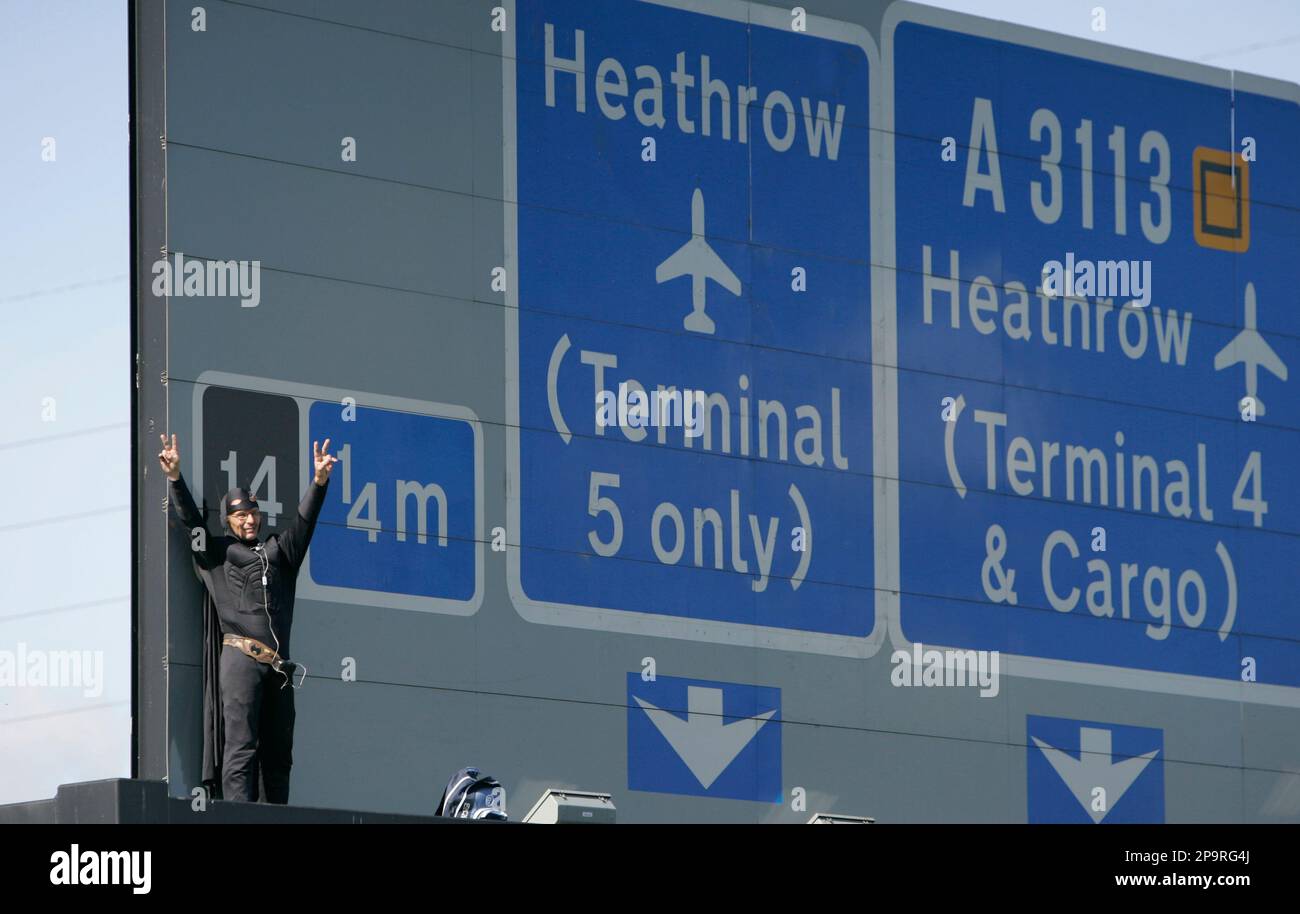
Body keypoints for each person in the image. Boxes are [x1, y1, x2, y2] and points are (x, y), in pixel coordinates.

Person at [158, 432, 337, 804]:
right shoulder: (218, 554)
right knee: (240, 748)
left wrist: (319, 482)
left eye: (253, 512)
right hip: (240, 658)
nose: (250, 520)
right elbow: (192, 523)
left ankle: (276, 818)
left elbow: (304, 524)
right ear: (229, 520)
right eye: (241, 515)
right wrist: (175, 478)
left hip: (279, 667)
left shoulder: (279, 552)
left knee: (279, 756)